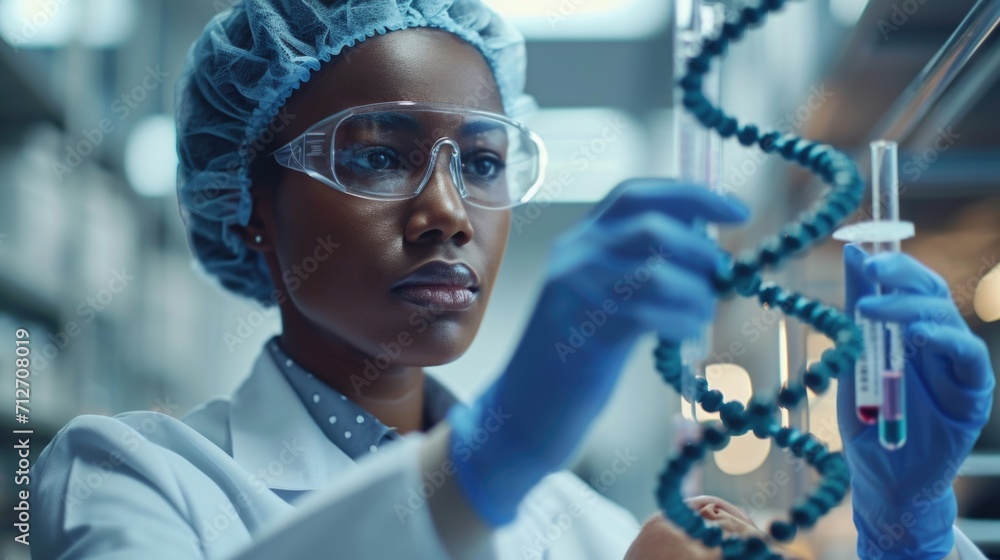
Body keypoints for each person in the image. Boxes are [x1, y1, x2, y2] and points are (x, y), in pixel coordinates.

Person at [31, 1, 994, 559]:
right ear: (250, 205)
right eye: (374, 156)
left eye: (484, 163)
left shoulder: (582, 528)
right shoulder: (134, 475)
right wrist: (486, 457)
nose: (449, 212)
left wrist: (908, 529)